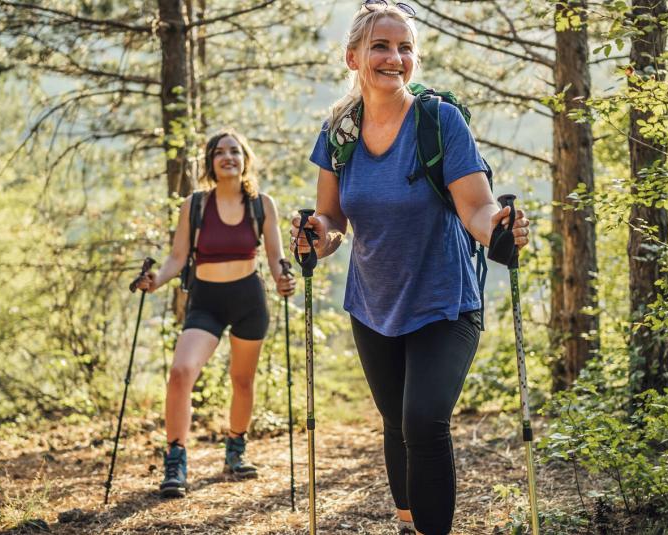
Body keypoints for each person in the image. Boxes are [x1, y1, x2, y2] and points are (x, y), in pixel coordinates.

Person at [292, 1, 531, 533]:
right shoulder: (339, 131)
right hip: (373, 303)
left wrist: (500, 226)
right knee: (396, 424)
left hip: (445, 299)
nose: (394, 58)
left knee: (423, 420)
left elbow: (475, 206)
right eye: (381, 45)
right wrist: (318, 236)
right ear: (353, 56)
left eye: (405, 48)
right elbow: (333, 218)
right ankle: (409, 522)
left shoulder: (438, 121)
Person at [136, 128, 296, 498]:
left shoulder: (261, 205)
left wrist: (283, 281)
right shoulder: (194, 205)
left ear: (245, 160)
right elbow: (177, 257)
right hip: (206, 299)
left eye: (235, 151)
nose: (228, 157)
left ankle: (235, 452)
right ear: (210, 162)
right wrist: (154, 280)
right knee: (181, 372)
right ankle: (175, 460)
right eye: (220, 152)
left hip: (248, 299)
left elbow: (275, 258)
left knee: (242, 381)